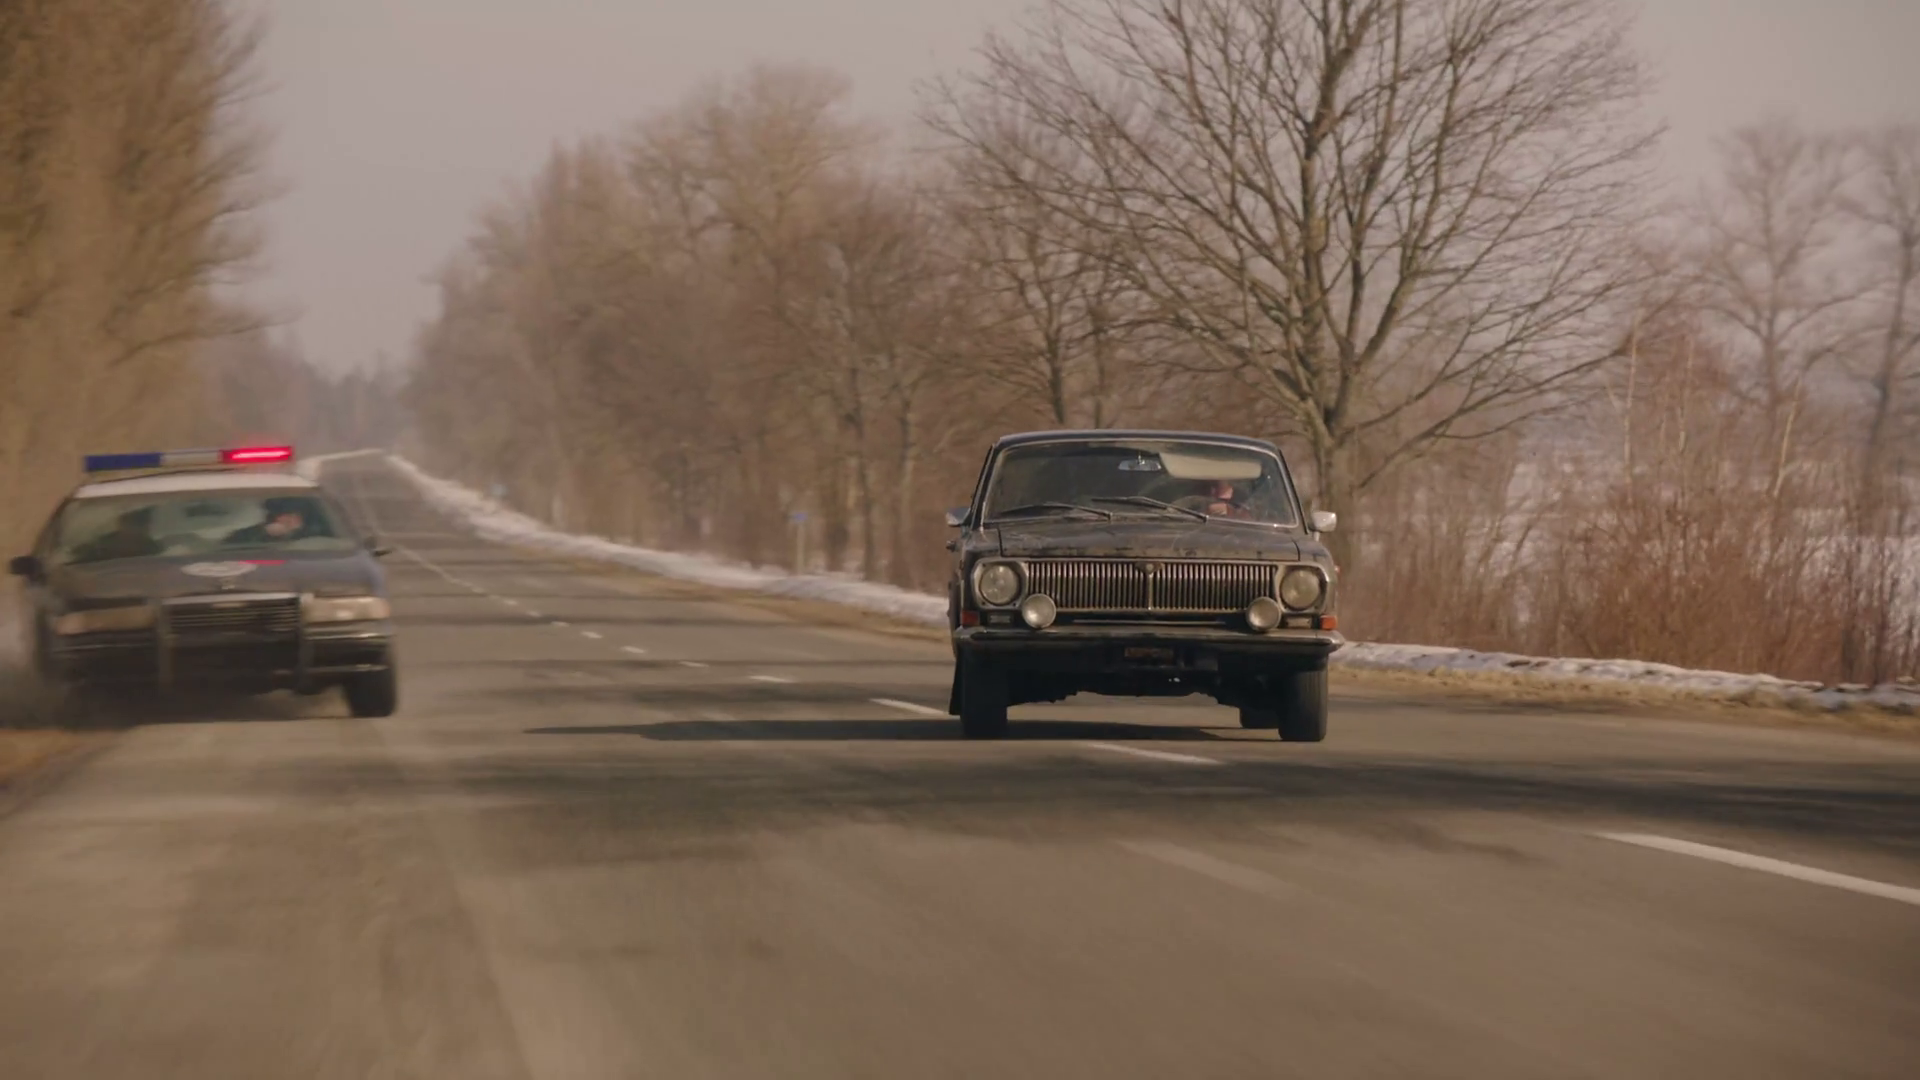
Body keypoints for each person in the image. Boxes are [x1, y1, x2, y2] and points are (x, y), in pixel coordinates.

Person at [72, 507, 164, 563]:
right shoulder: (98, 548)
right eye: (132, 523)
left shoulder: (157, 552)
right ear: (121, 523)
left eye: (141, 523)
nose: (135, 529)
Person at [224, 497, 316, 546]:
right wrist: (263, 532)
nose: (291, 520)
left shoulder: (315, 535)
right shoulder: (247, 535)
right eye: (285, 516)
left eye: (296, 516)